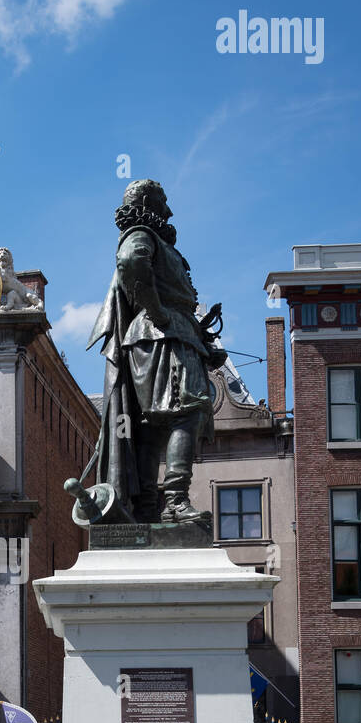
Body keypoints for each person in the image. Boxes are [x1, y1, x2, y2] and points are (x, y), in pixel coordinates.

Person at [87, 178, 226, 523]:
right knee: (188, 411)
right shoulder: (142, 235)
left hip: (162, 335)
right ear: (151, 204)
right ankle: (175, 501)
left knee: (150, 424)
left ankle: (148, 506)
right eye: (164, 203)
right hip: (162, 334)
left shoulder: (159, 244)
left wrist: (203, 343)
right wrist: (159, 313)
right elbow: (131, 261)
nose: (170, 211)